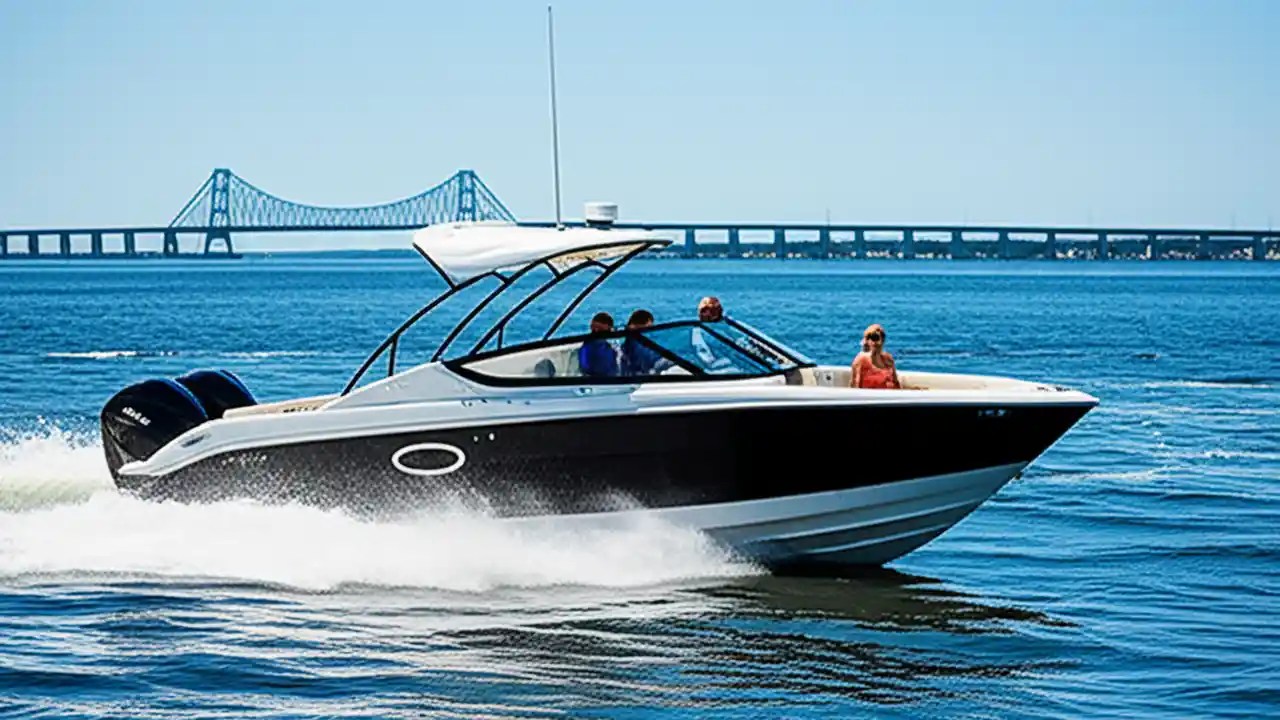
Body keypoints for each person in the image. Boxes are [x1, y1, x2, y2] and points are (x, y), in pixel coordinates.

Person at [851, 323, 900, 389]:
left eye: (882, 336)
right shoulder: (861, 360)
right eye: (874, 337)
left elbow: (896, 383)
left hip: (891, 397)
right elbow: (855, 386)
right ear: (867, 340)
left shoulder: (888, 359)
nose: (878, 342)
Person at [620, 309, 668, 376]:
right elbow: (650, 360)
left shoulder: (628, 343)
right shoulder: (635, 344)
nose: (649, 332)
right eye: (648, 328)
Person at [578, 312, 618, 377]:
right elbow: (585, 369)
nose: (596, 331)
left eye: (600, 329)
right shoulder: (586, 347)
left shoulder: (612, 348)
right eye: (593, 328)